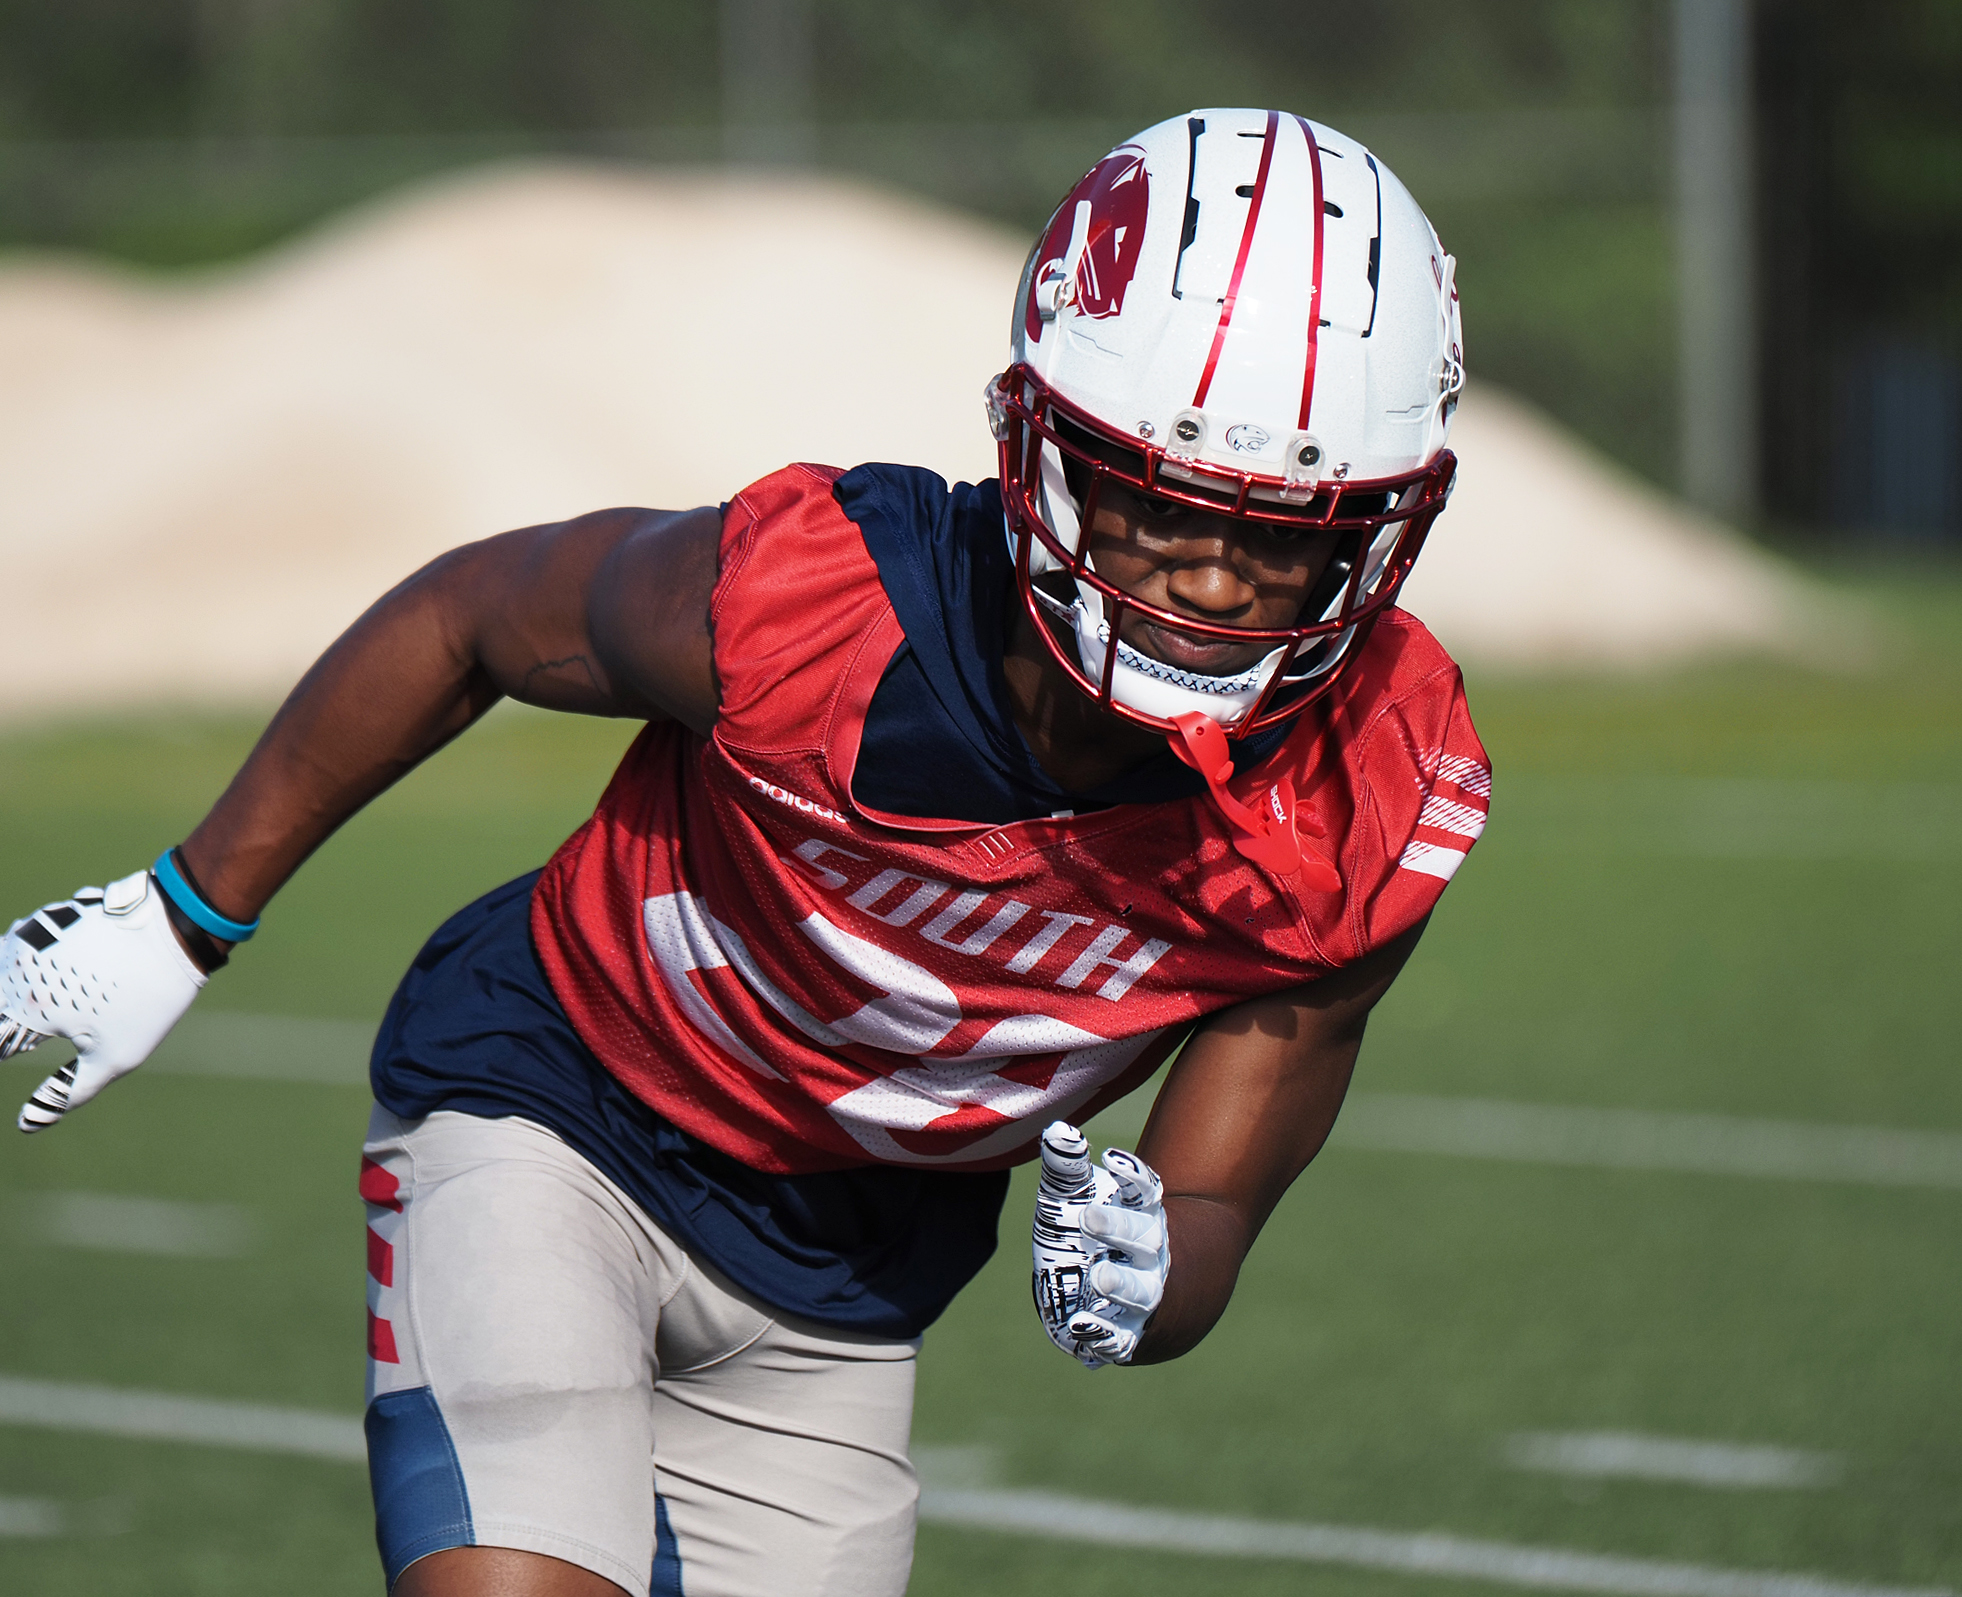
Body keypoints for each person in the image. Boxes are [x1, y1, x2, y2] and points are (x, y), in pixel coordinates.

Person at [0, 107, 1484, 1597]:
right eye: (1159, 504)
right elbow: (475, 612)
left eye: (1288, 532)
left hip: (843, 1280)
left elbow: (1214, 1195)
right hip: (558, 1109)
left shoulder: (1371, 778)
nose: (1213, 579)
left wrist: (1154, 1272)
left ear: (1383, 533)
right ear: (1044, 453)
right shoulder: (825, 601)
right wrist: (185, 908)